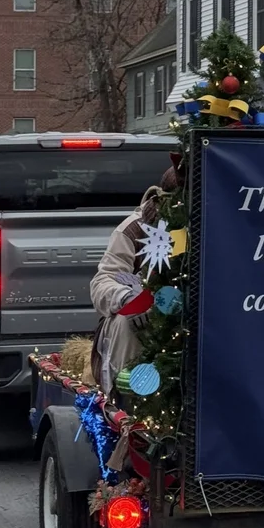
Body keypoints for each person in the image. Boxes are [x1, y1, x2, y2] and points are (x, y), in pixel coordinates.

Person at [89, 160, 183, 395]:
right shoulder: (135, 228)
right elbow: (103, 281)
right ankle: (126, 400)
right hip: (145, 315)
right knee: (128, 319)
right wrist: (128, 298)